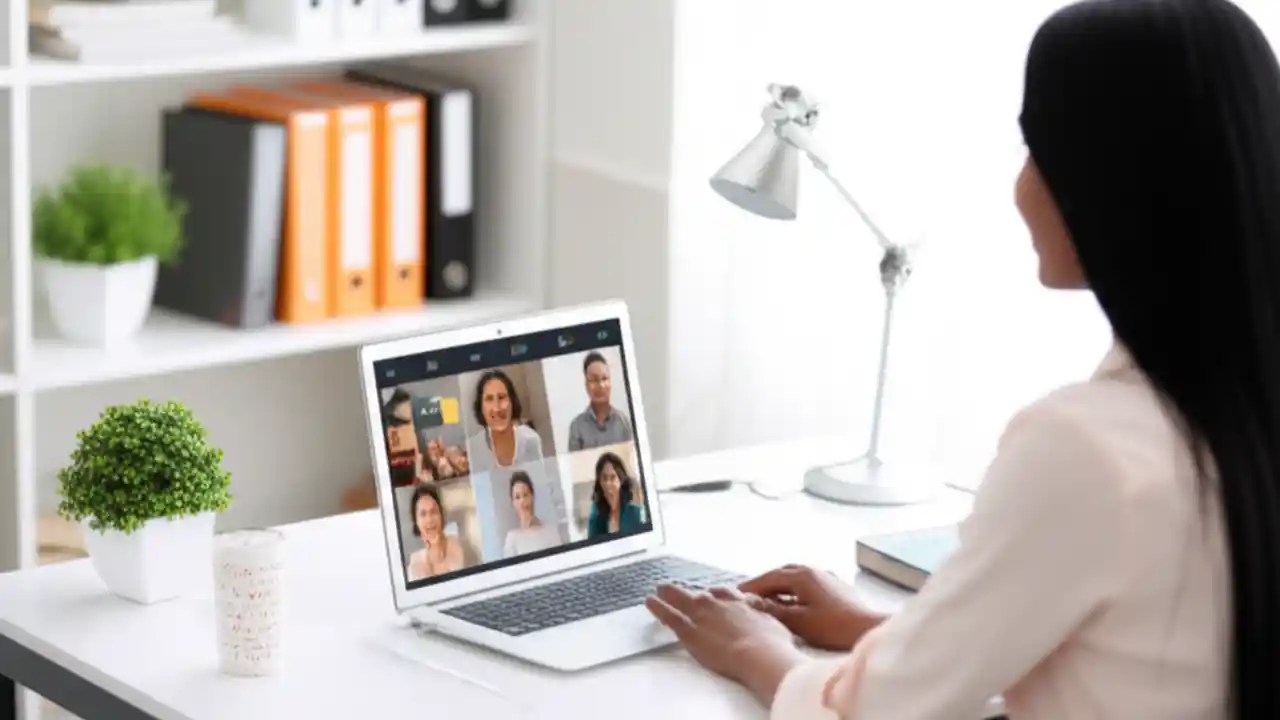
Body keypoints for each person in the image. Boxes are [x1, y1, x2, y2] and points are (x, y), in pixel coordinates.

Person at [644, 1, 1280, 717]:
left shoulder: (1087, 449)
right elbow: (1132, 664)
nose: (1022, 186)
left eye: (1034, 150)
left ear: (1107, 181)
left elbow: (873, 714)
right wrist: (883, 632)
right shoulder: (1234, 411)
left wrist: (754, 651)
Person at [468, 369, 544, 473]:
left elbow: (539, 484)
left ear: (512, 402)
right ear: (481, 407)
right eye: (489, 399)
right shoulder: (474, 448)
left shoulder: (531, 440)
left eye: (502, 397)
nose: (497, 408)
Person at [567, 352, 634, 451]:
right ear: (586, 384)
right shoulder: (577, 427)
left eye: (605, 378)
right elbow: (576, 465)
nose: (601, 385)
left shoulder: (623, 422)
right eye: (594, 380)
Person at [405, 483, 464, 581]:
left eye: (434, 512)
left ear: (441, 514)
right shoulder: (415, 564)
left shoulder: (456, 543)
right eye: (423, 514)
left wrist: (436, 546)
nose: (429, 519)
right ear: (416, 521)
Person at [503, 471, 562, 558]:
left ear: (532, 496)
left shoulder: (550, 532)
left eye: (525, 495)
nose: (522, 501)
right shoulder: (512, 538)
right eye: (517, 497)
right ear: (513, 503)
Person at [586, 452, 645, 538]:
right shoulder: (595, 521)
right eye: (604, 478)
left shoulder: (637, 514)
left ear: (621, 480)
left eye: (613, 477)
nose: (608, 484)